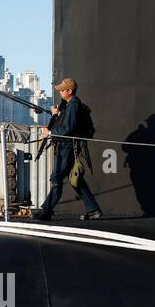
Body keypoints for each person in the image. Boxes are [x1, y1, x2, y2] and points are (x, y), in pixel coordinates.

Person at [31, 77, 103, 221]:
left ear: (70, 91)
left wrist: (50, 133)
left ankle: (46, 210)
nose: (60, 92)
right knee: (75, 179)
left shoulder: (73, 105)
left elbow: (68, 129)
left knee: (57, 178)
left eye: (63, 90)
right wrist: (55, 115)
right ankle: (94, 209)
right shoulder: (68, 105)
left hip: (66, 146)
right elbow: (63, 124)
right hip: (65, 146)